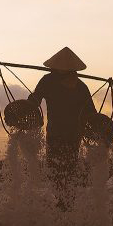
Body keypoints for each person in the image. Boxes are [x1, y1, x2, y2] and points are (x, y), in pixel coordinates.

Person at [28, 47, 96, 210]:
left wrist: (28, 104)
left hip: (56, 133)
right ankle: (67, 202)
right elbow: (92, 114)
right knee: (69, 168)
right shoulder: (81, 86)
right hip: (74, 135)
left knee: (55, 168)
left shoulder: (48, 80)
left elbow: (33, 101)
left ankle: (62, 202)